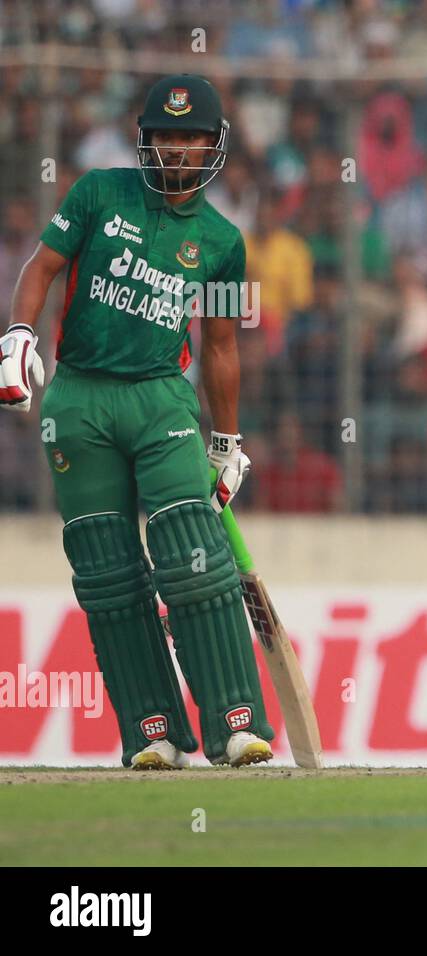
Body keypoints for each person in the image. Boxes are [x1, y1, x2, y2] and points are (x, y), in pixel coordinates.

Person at [0, 74, 274, 770]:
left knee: (192, 555)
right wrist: (17, 335)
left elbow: (219, 345)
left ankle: (235, 723)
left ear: (214, 146)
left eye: (191, 138)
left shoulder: (224, 241)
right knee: (106, 572)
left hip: (161, 400)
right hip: (80, 397)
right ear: (145, 140)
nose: (177, 149)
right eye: (165, 136)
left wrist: (228, 440)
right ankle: (153, 731)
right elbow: (43, 266)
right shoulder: (97, 192)